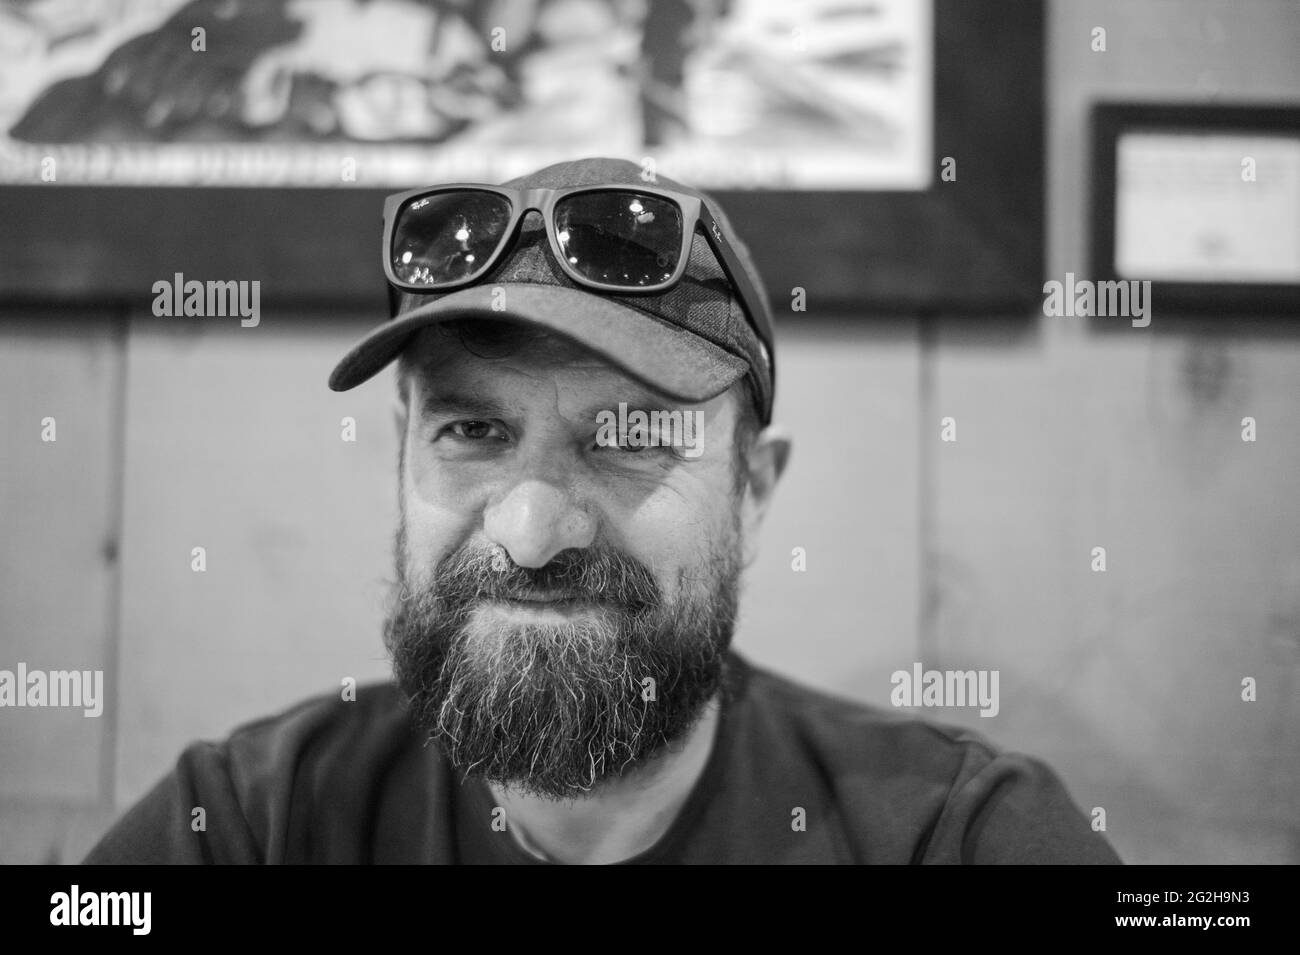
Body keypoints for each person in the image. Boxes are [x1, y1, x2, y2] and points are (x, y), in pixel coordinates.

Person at [84, 157, 1121, 865]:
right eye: (472, 431)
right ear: (403, 456)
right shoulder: (249, 826)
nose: (531, 531)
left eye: (629, 437)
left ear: (752, 493)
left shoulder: (956, 839)